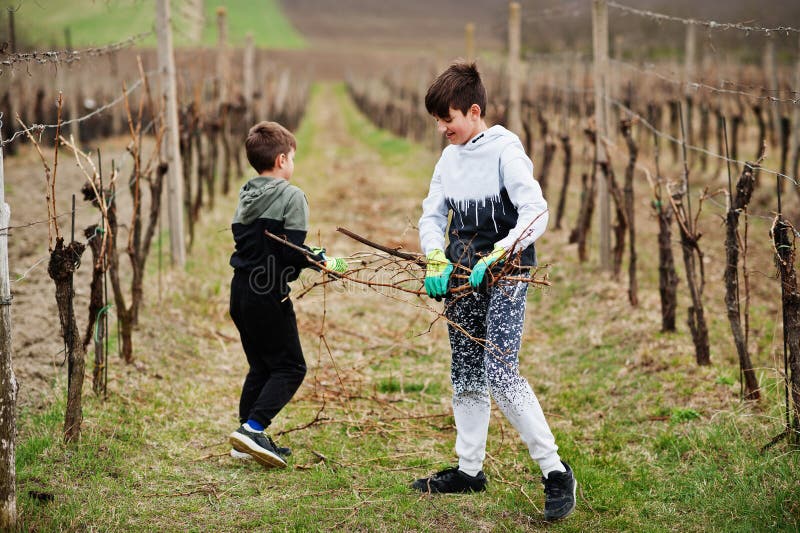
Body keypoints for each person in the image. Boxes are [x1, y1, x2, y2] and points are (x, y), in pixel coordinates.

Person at [413, 62, 576, 521]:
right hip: (461, 276)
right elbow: (431, 215)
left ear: (474, 110)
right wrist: (435, 255)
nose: (442, 129)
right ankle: (469, 471)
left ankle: (555, 471)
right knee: (464, 370)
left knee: (500, 372)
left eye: (447, 119)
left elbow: (536, 211)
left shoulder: (506, 150)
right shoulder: (448, 159)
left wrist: (499, 252)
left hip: (507, 274)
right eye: (438, 122)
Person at [227, 121, 347, 468]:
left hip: (241, 291)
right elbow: (289, 252)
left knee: (261, 366)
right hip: (268, 293)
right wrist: (321, 262)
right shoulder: (293, 196)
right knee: (291, 367)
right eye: (292, 157)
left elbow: (269, 243)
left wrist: (309, 255)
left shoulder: (246, 193)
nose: (293, 163)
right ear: (281, 160)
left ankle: (243, 441)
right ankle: (253, 428)